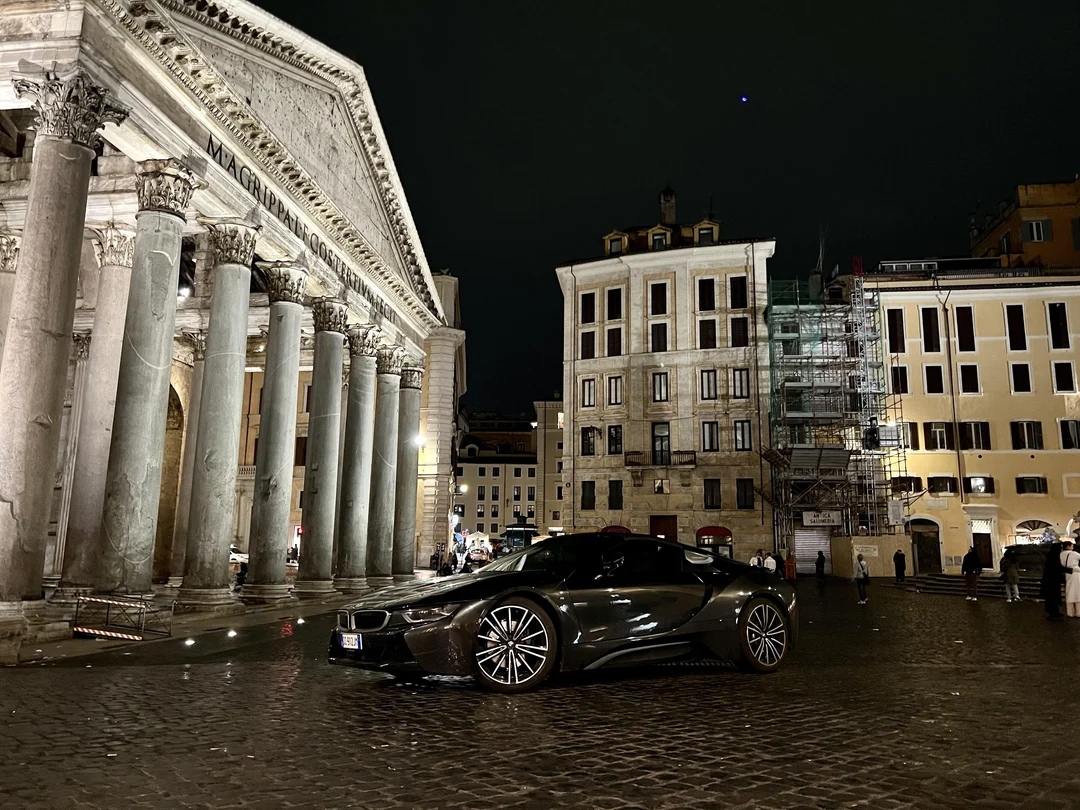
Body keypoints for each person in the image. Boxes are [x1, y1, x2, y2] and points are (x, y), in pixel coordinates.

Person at [1041, 542, 1064, 619]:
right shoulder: (1054, 558)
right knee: (1052, 597)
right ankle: (1052, 613)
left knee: (1052, 597)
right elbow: (1057, 569)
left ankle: (1055, 612)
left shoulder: (1051, 557)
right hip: (1052, 582)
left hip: (1051, 581)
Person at [1061, 538, 1080, 618]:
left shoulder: (1061, 554)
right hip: (1076, 573)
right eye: (1071, 545)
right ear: (1068, 546)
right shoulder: (1074, 554)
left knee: (1069, 592)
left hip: (1067, 574)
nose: (1073, 547)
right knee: (1077, 593)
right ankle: (1078, 612)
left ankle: (1070, 612)